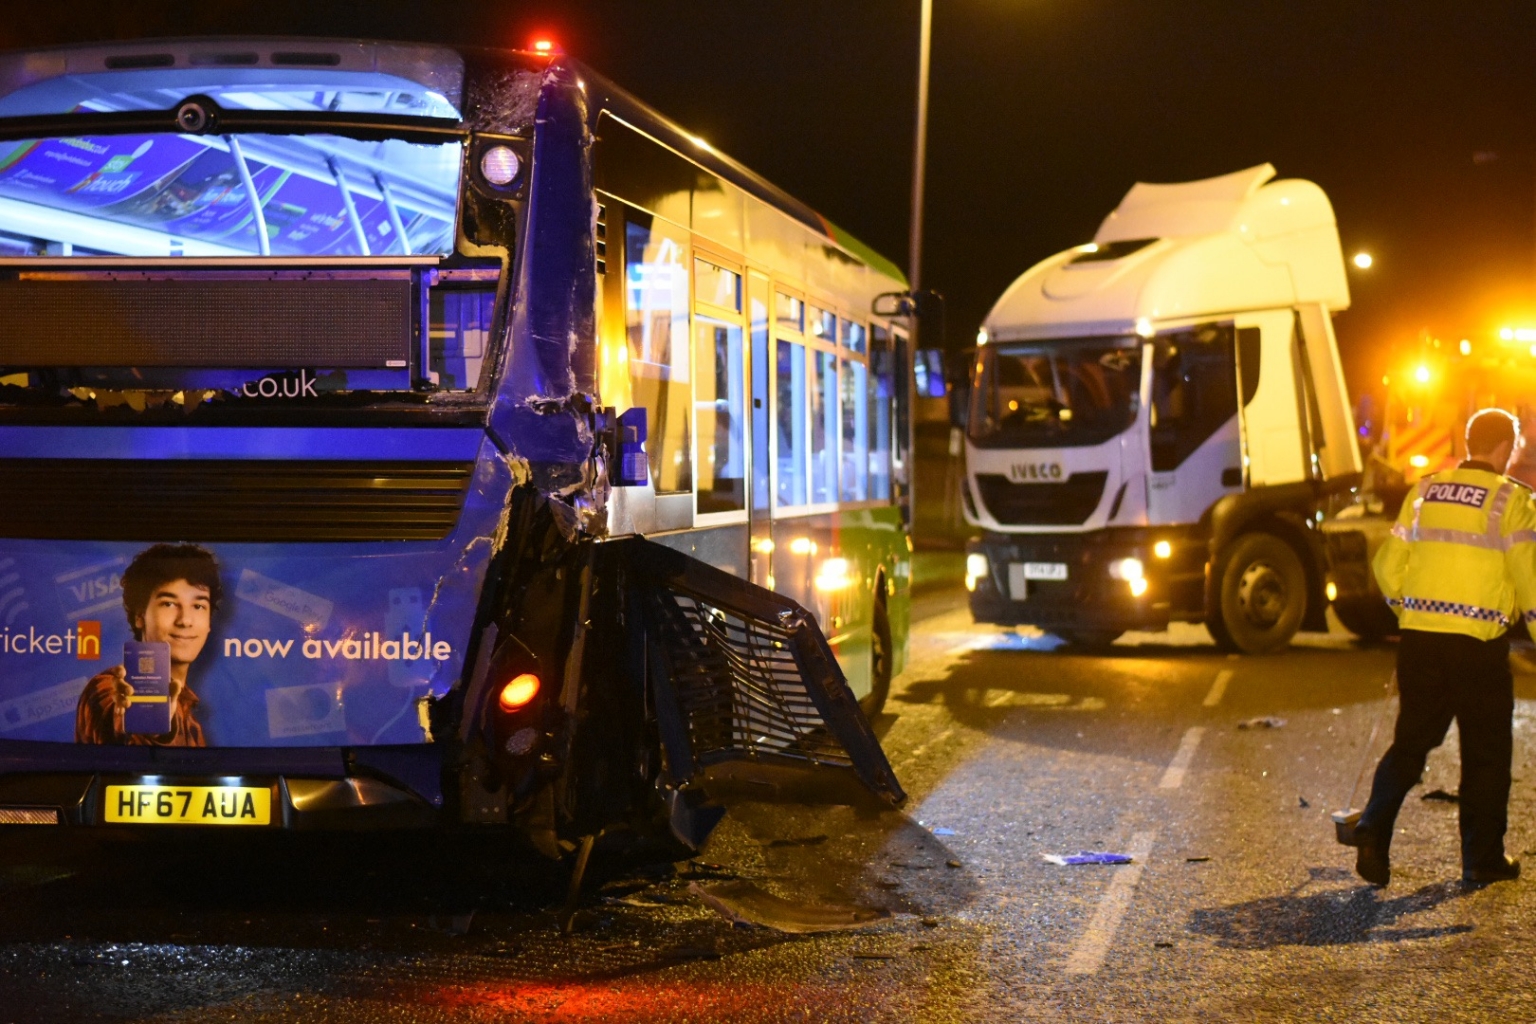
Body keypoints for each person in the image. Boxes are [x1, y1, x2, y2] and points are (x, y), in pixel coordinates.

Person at [1355, 408, 1536, 886]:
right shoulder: (1513, 500)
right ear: (1506, 447)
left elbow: (1387, 569)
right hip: (1478, 649)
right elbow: (1530, 580)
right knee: (1487, 754)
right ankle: (1482, 860)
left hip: (1420, 644)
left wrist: (1414, 613)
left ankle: (1372, 828)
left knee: (1410, 746)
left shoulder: (1425, 490)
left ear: (1469, 440)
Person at [74, 543, 222, 747]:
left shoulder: (192, 724)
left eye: (198, 606)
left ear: (209, 623)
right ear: (139, 616)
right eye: (168, 604)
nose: (185, 620)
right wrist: (152, 721)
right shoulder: (109, 688)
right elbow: (116, 715)